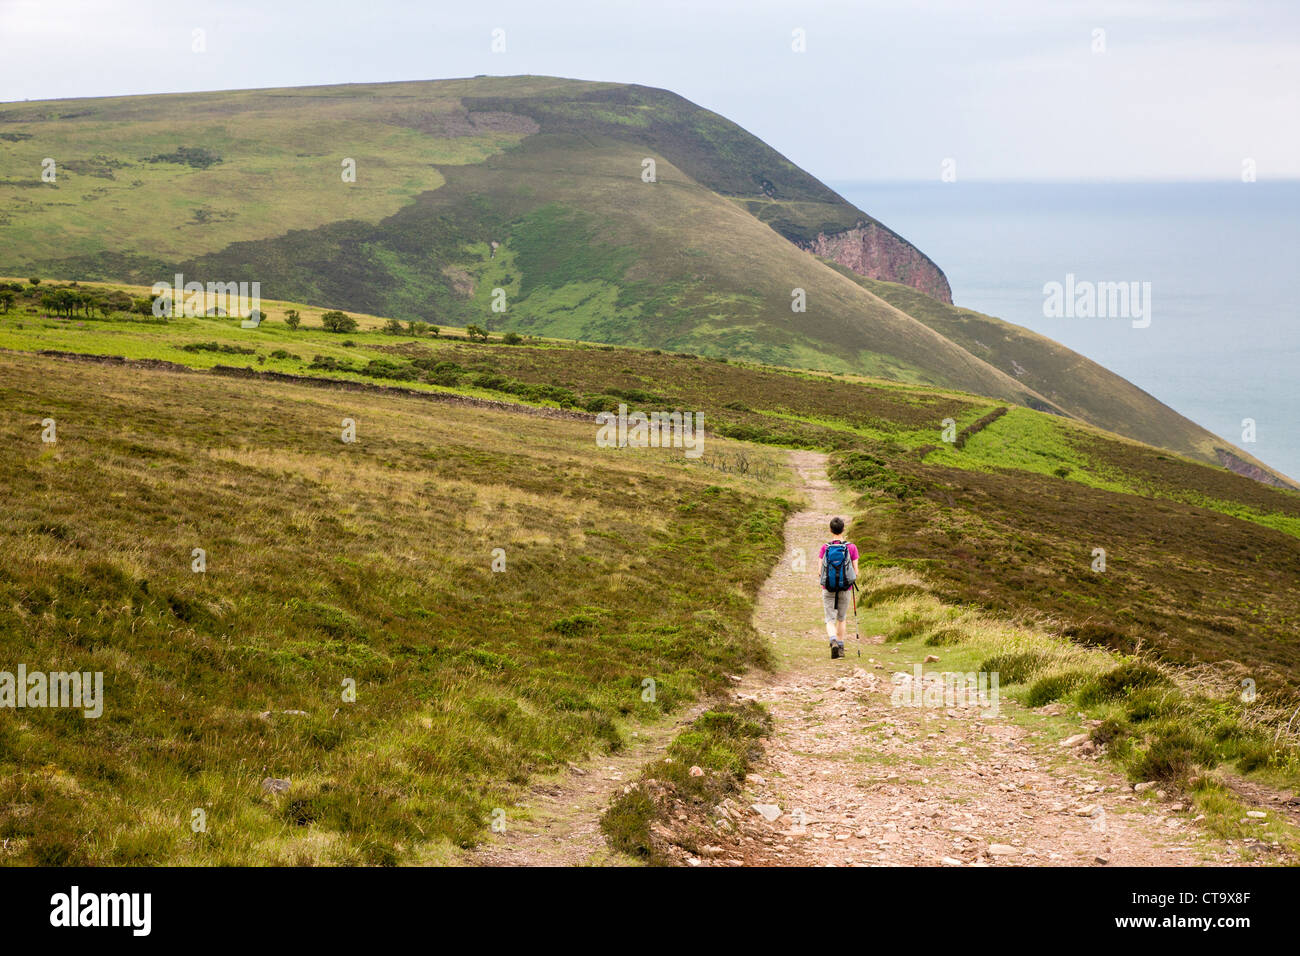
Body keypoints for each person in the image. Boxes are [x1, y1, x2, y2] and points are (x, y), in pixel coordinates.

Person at [819, 517, 858, 659]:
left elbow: (820, 571)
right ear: (843, 529)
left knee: (830, 619)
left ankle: (832, 640)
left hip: (828, 587)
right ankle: (840, 648)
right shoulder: (851, 547)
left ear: (830, 530)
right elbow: (856, 571)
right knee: (841, 618)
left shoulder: (825, 547)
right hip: (845, 588)